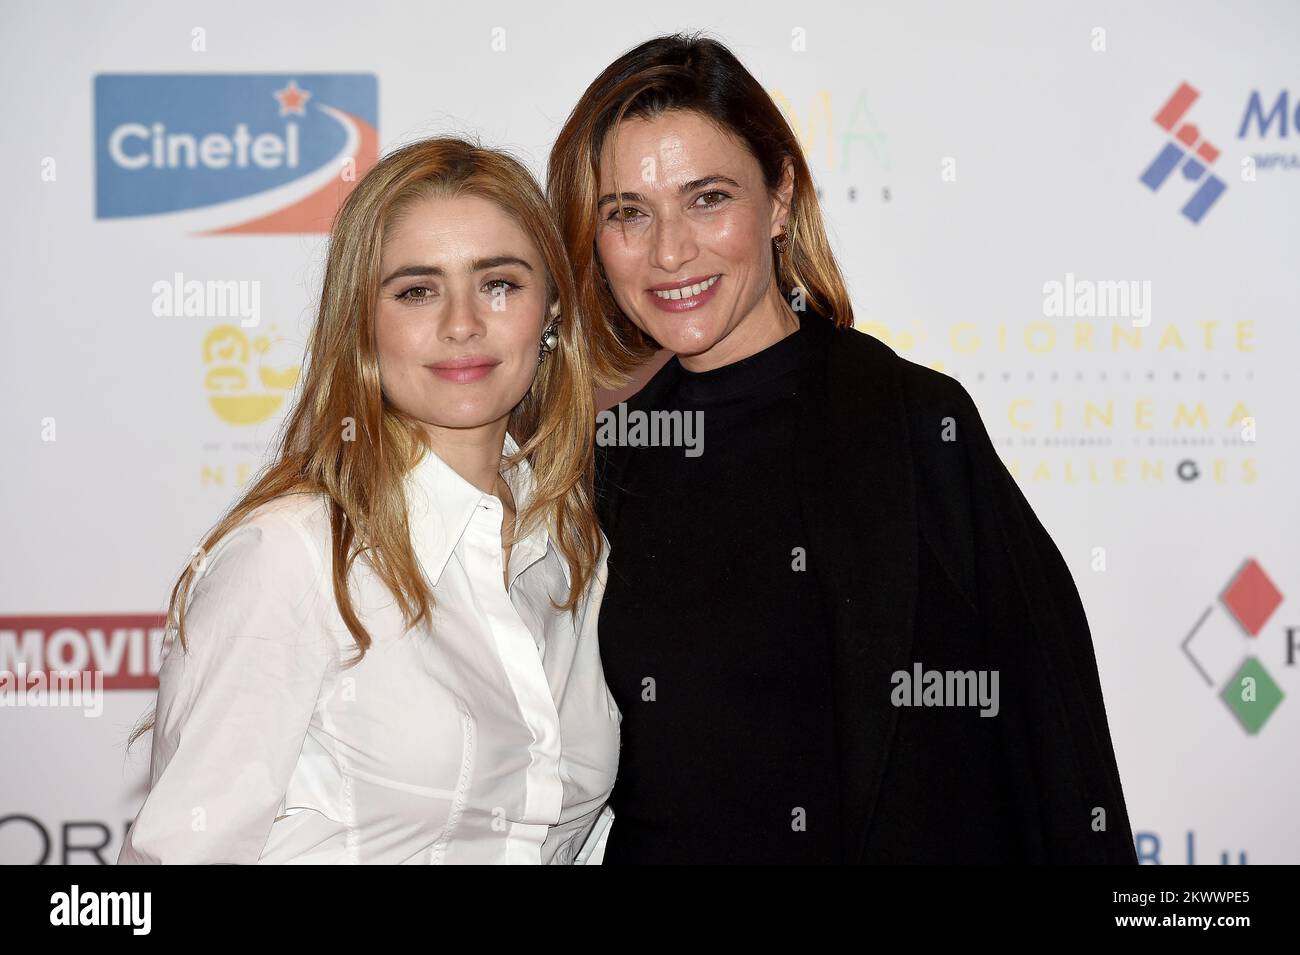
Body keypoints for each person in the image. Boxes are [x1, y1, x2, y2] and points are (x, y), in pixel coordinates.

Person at [548, 33, 1137, 863]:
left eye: (708, 198)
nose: (669, 250)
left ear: (780, 196)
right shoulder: (594, 463)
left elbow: (1058, 733)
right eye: (628, 213)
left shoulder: (914, 421)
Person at [120, 137, 619, 864]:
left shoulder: (571, 550)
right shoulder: (294, 556)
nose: (461, 323)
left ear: (551, 313)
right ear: (361, 324)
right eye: (416, 289)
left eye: (499, 283)